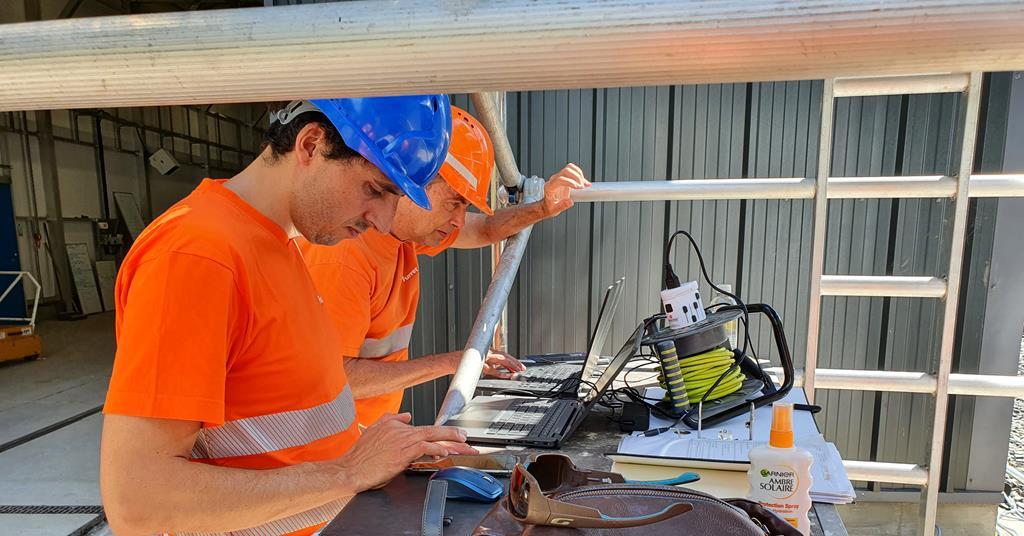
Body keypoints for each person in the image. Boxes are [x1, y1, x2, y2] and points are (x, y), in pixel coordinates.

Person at [99, 96, 475, 536]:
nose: (382, 219)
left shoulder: (281, 242)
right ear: (312, 144)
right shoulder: (197, 255)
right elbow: (138, 500)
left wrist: (368, 451)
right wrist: (349, 472)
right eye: (375, 189)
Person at [299, 105, 591, 428]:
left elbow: (485, 229)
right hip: (339, 450)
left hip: (369, 436)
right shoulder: (345, 256)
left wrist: (542, 208)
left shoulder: (401, 234)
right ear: (416, 178)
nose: (459, 220)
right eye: (455, 202)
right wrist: (453, 362)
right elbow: (336, 379)